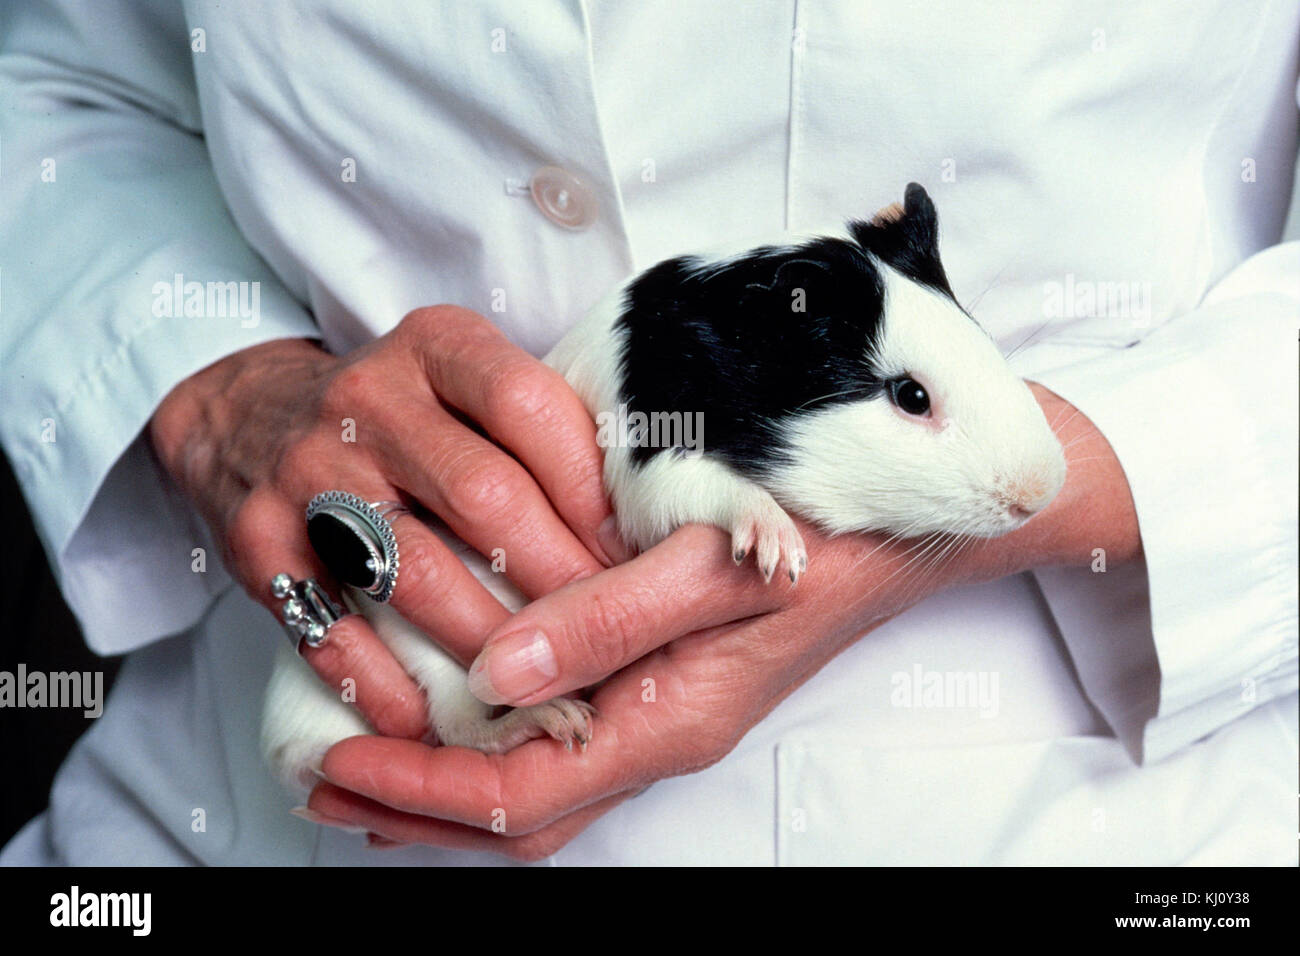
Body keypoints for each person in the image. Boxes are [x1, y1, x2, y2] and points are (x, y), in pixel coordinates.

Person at [0, 0, 1295, 866]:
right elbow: (54, 80)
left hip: (1110, 824)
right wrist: (214, 384)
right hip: (250, 810)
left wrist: (1120, 471)